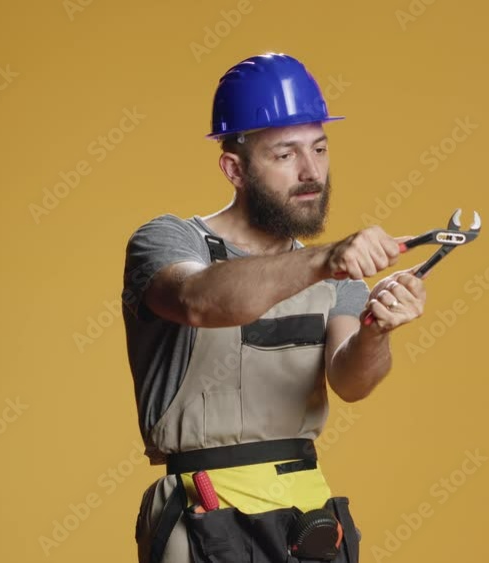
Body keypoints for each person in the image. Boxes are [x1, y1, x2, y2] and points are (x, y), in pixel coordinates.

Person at [122, 52, 427, 563]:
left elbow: (351, 383)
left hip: (306, 506)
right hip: (205, 511)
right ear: (234, 169)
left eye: (320, 149)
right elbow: (200, 301)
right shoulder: (170, 240)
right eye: (286, 155)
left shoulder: (333, 270)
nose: (311, 172)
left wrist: (377, 329)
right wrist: (327, 259)